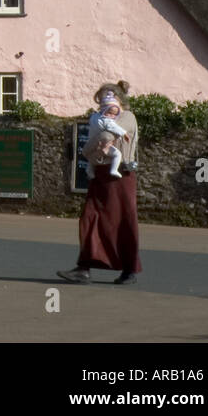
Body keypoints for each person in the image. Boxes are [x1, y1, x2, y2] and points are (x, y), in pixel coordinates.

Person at [59, 80, 142, 286]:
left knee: (124, 221)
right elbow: (90, 147)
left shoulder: (128, 117)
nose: (107, 98)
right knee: (89, 218)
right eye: (104, 95)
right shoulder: (99, 118)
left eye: (111, 94)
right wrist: (96, 145)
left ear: (120, 98)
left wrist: (98, 141)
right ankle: (83, 268)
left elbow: (106, 135)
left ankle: (129, 269)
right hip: (100, 175)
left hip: (121, 176)